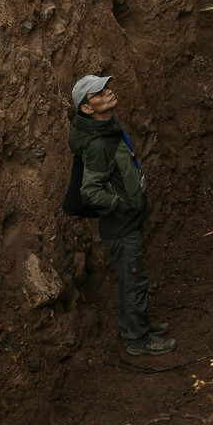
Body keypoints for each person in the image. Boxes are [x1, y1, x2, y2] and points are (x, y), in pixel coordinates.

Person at [68, 73, 174, 356]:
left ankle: (140, 325)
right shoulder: (98, 144)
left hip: (128, 220)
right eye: (98, 93)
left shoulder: (108, 127)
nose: (108, 92)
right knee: (133, 280)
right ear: (87, 108)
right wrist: (123, 204)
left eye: (106, 86)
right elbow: (91, 192)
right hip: (121, 225)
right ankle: (138, 341)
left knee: (135, 277)